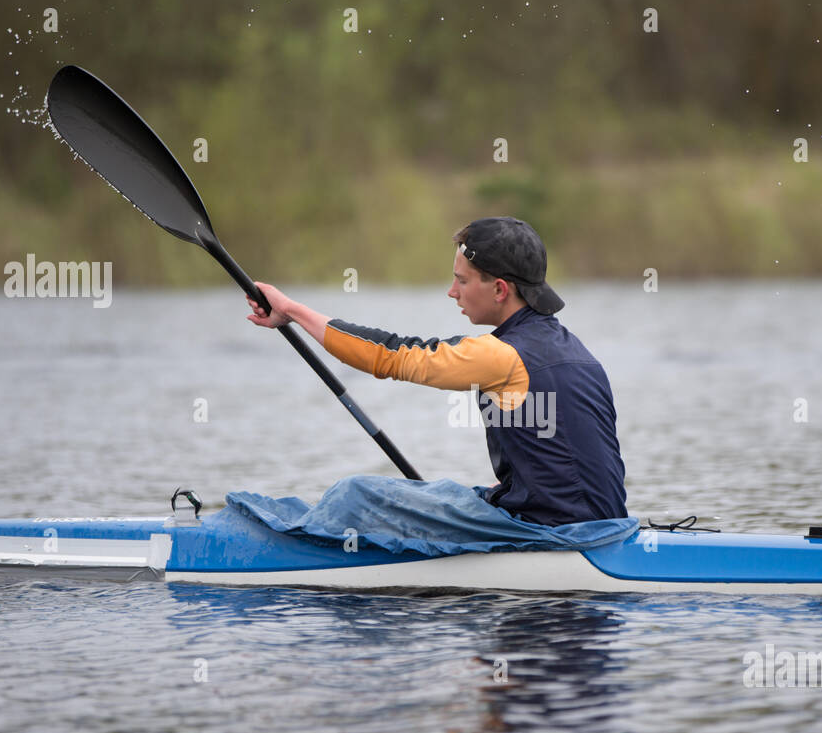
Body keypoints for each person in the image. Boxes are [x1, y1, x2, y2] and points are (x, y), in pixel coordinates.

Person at [246, 217, 627, 526]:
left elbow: (389, 355)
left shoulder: (501, 355)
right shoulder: (578, 351)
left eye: (461, 280)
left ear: (498, 290)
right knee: (447, 492)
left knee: (356, 494)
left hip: (557, 533)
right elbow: (567, 455)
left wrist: (292, 311)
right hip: (601, 521)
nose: (452, 292)